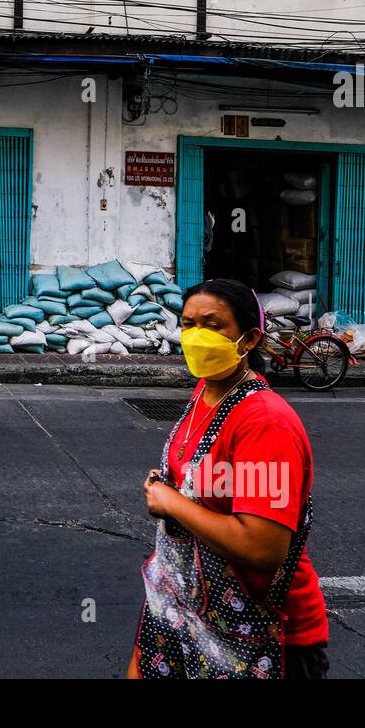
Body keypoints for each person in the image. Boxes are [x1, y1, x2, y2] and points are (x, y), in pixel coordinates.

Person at [127, 278, 328, 679]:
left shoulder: (264, 421)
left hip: (260, 630)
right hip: (182, 607)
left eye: (213, 325)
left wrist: (171, 503)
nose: (197, 336)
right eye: (188, 324)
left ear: (249, 339)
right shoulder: (205, 392)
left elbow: (261, 547)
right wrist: (171, 486)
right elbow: (203, 478)